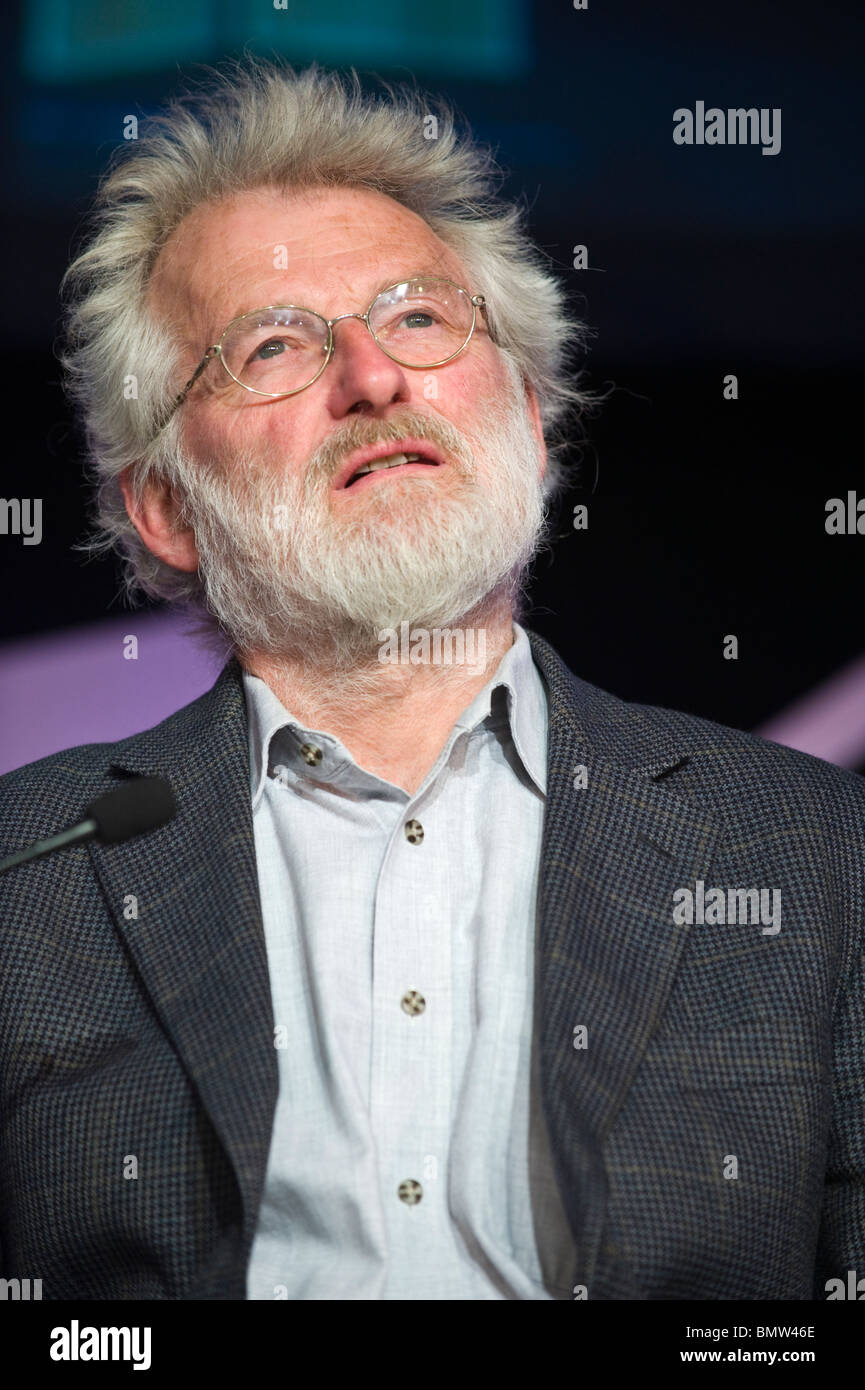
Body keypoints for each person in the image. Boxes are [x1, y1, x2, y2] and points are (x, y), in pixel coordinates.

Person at [0, 58, 862, 1302]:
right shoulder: (33, 872)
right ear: (167, 507)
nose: (373, 377)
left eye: (416, 317)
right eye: (275, 345)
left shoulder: (813, 850)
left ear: (525, 405)